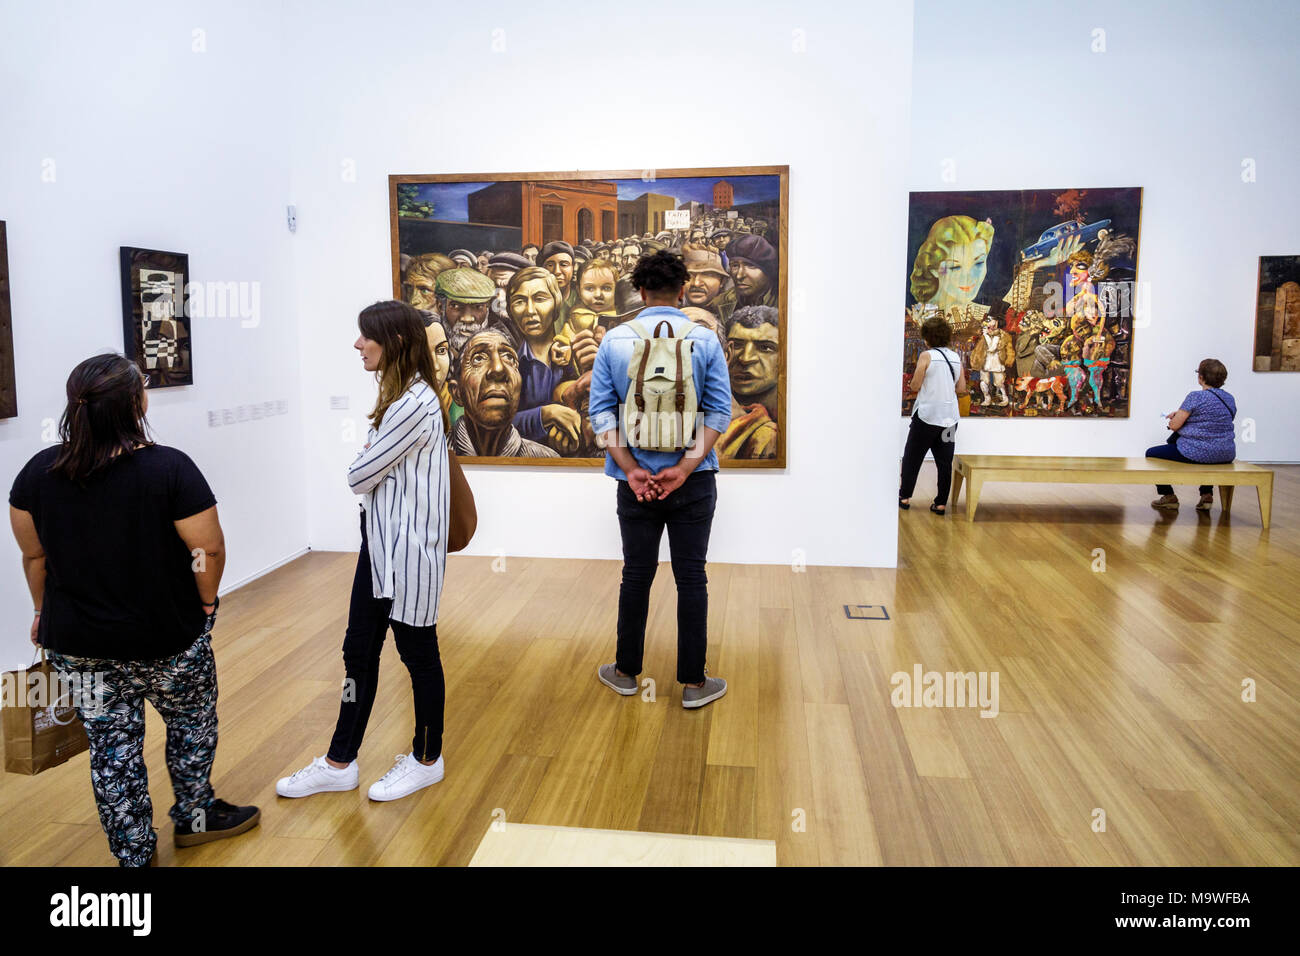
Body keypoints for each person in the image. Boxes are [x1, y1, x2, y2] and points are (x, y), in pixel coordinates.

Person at [8, 353, 258, 866]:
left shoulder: (36, 473)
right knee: (191, 724)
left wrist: (41, 611)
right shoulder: (169, 468)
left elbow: (35, 556)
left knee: (112, 751)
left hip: (79, 645)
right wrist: (206, 602)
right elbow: (206, 551)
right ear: (136, 403)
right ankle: (195, 817)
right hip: (166, 639)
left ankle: (135, 858)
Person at [276, 301, 449, 803]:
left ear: (393, 342)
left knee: (419, 656)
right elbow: (369, 473)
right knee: (358, 654)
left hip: (410, 554)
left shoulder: (415, 403)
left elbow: (357, 476)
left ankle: (426, 758)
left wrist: (365, 464)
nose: (357, 345)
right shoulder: (399, 399)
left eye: (365, 337)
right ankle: (339, 762)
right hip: (380, 550)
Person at [588, 250, 733, 709]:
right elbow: (719, 413)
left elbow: (601, 414)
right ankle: (693, 683)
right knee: (692, 577)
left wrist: (631, 469)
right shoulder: (705, 340)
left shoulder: (613, 340)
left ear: (641, 290)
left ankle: (627, 672)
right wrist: (685, 468)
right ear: (684, 288)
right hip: (692, 481)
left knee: (636, 574)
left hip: (634, 485)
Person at [448, 328, 559, 458]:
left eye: (508, 357)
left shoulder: (546, 460)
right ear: (457, 393)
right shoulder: (434, 456)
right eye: (478, 358)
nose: (498, 369)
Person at [1146, 359, 1237, 511]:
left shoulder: (1195, 396)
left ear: (1201, 377)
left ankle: (1168, 496)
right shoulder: (1229, 398)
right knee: (1209, 457)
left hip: (1197, 451)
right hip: (1226, 453)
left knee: (1152, 454)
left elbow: (1174, 426)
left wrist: (1175, 418)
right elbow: (1214, 422)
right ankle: (1206, 494)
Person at [899, 316, 967, 513]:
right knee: (945, 461)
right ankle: (940, 503)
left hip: (926, 418)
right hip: (949, 419)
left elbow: (915, 385)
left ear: (927, 338)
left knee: (913, 457)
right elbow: (961, 388)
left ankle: (905, 497)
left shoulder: (926, 356)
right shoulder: (956, 358)